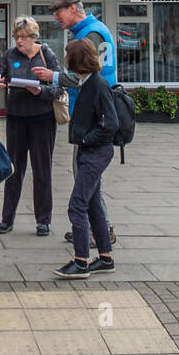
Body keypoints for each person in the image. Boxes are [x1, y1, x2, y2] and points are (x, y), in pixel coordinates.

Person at [31, 0, 118, 248]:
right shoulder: (91, 30)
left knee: (86, 176)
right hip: (92, 113)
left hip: (94, 117)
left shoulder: (91, 34)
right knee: (88, 177)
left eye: (59, 12)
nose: (57, 18)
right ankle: (94, 229)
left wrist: (53, 76)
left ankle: (97, 232)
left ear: (72, 9)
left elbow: (86, 77)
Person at [53, 39, 119, 278]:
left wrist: (86, 139)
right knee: (92, 205)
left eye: (68, 54)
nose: (65, 58)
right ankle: (105, 258)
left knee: (77, 205)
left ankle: (81, 261)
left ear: (76, 60)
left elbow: (110, 123)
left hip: (95, 152)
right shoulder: (87, 83)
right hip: (91, 151)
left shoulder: (97, 85)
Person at [0, 16, 61, 237]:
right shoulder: (10, 55)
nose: (19, 41)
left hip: (42, 119)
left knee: (42, 170)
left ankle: (43, 221)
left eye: (23, 37)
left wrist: (40, 91)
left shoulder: (46, 55)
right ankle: (7, 219)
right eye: (16, 37)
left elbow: (59, 88)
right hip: (17, 118)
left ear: (34, 37)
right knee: (13, 169)